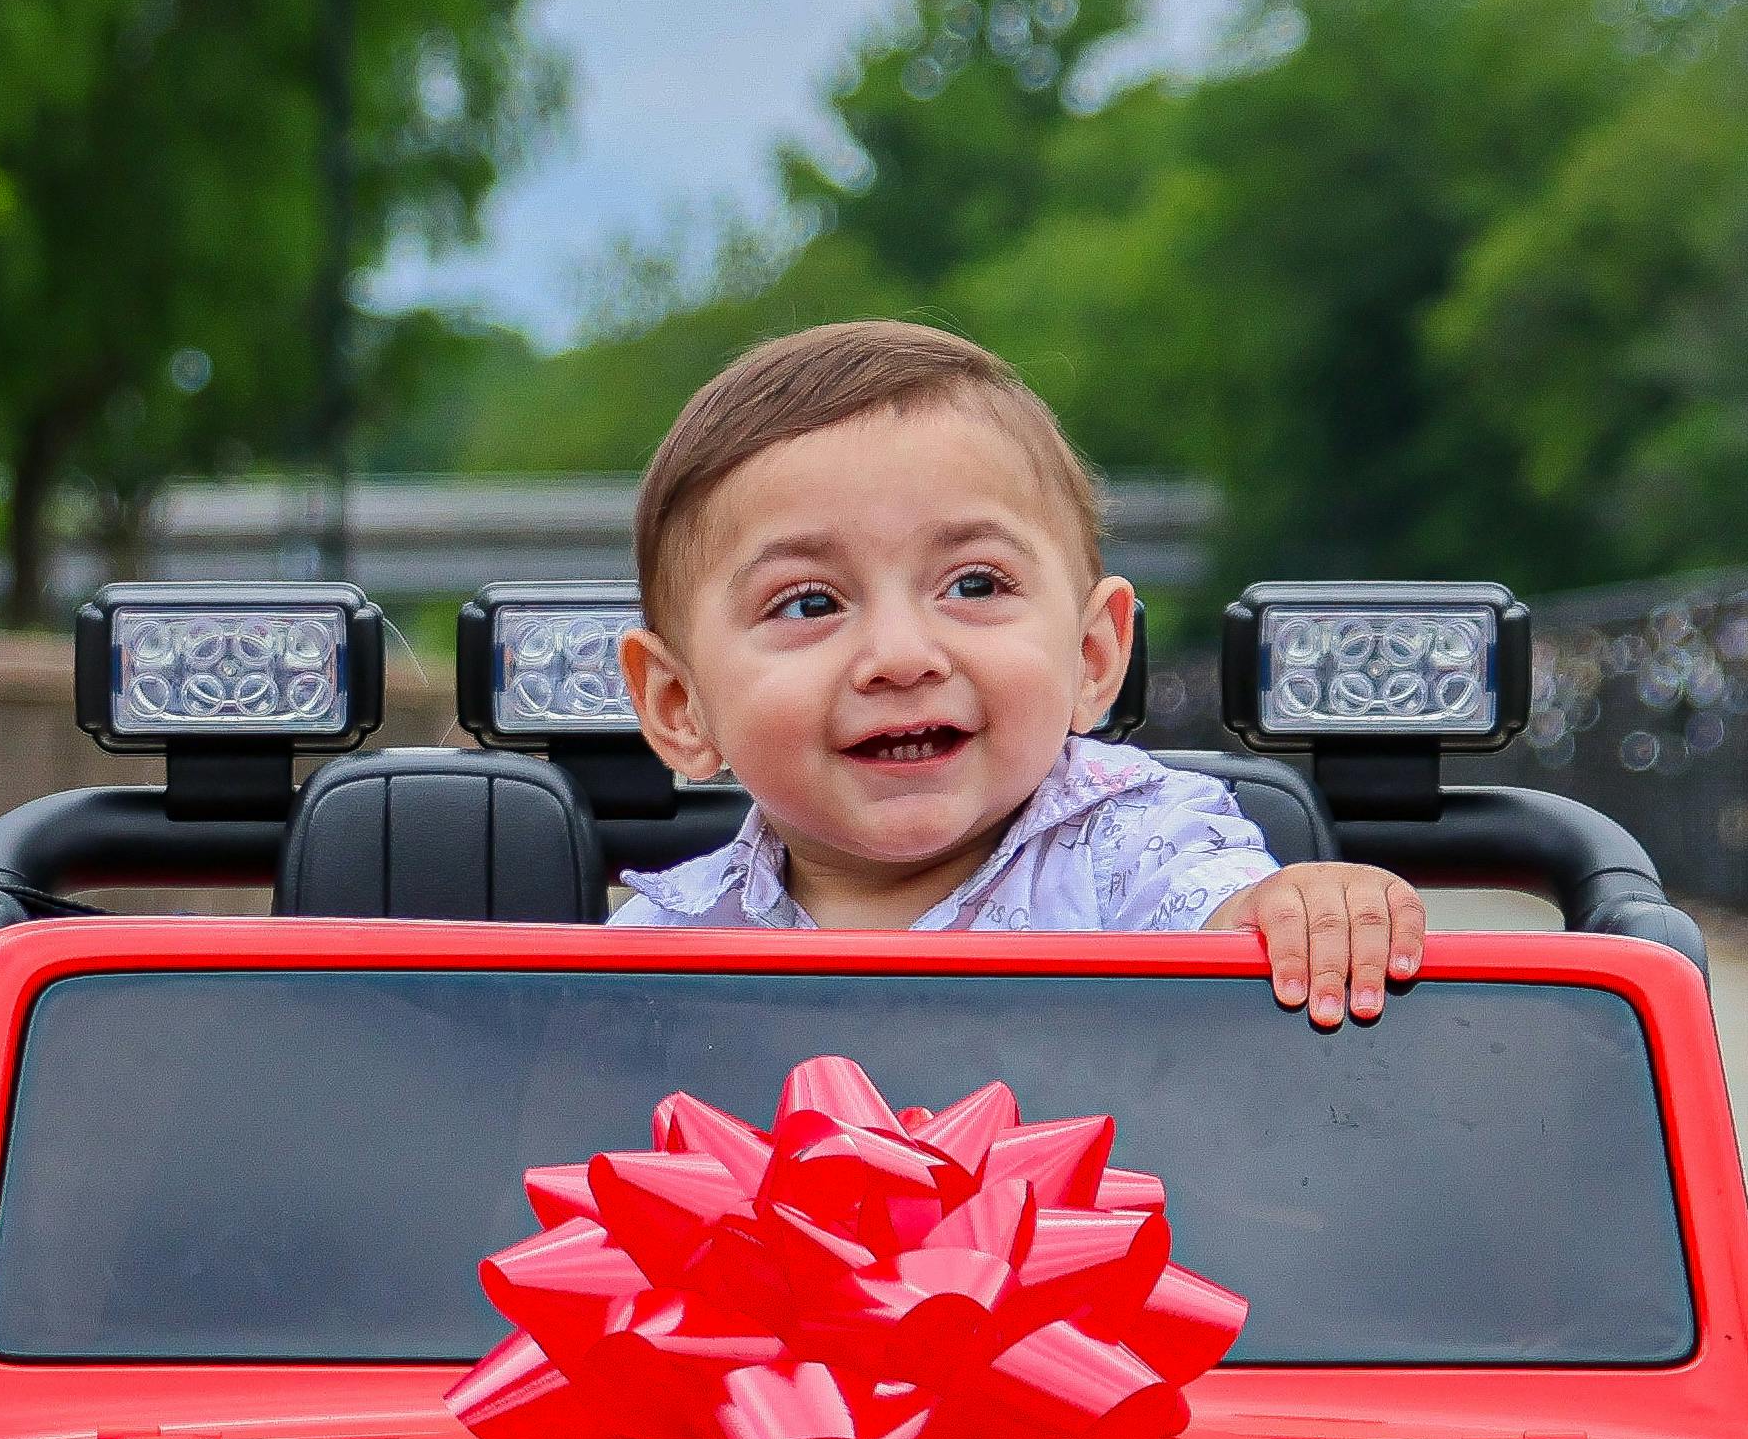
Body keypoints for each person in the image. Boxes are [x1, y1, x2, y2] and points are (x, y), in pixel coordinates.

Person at [611, 321, 1429, 1029]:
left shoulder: (1136, 850)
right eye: (808, 603)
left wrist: (1302, 914)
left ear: (1091, 657)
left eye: (975, 585)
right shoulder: (650, 953)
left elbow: (1228, 920)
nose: (901, 656)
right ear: (681, 707)